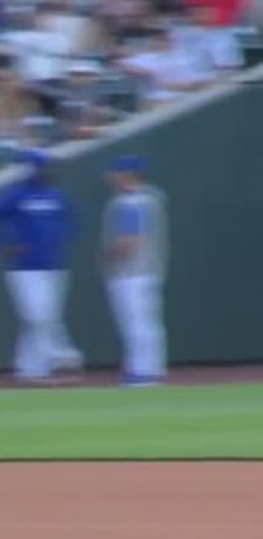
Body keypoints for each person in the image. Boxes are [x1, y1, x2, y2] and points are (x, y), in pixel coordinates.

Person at [0, 149, 84, 384]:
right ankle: (56, 358)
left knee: (44, 318)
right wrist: (2, 244)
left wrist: (60, 238)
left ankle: (30, 369)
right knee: (38, 315)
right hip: (24, 268)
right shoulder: (15, 195)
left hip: (54, 266)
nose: (48, 171)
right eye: (43, 167)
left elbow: (74, 220)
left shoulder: (56, 195)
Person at [103, 155, 167, 386]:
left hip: (130, 273)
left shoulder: (130, 201)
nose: (111, 176)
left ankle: (141, 373)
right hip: (149, 270)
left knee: (135, 323)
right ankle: (151, 370)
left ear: (128, 174)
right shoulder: (153, 197)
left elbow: (129, 240)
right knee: (148, 322)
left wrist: (108, 255)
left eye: (116, 172)